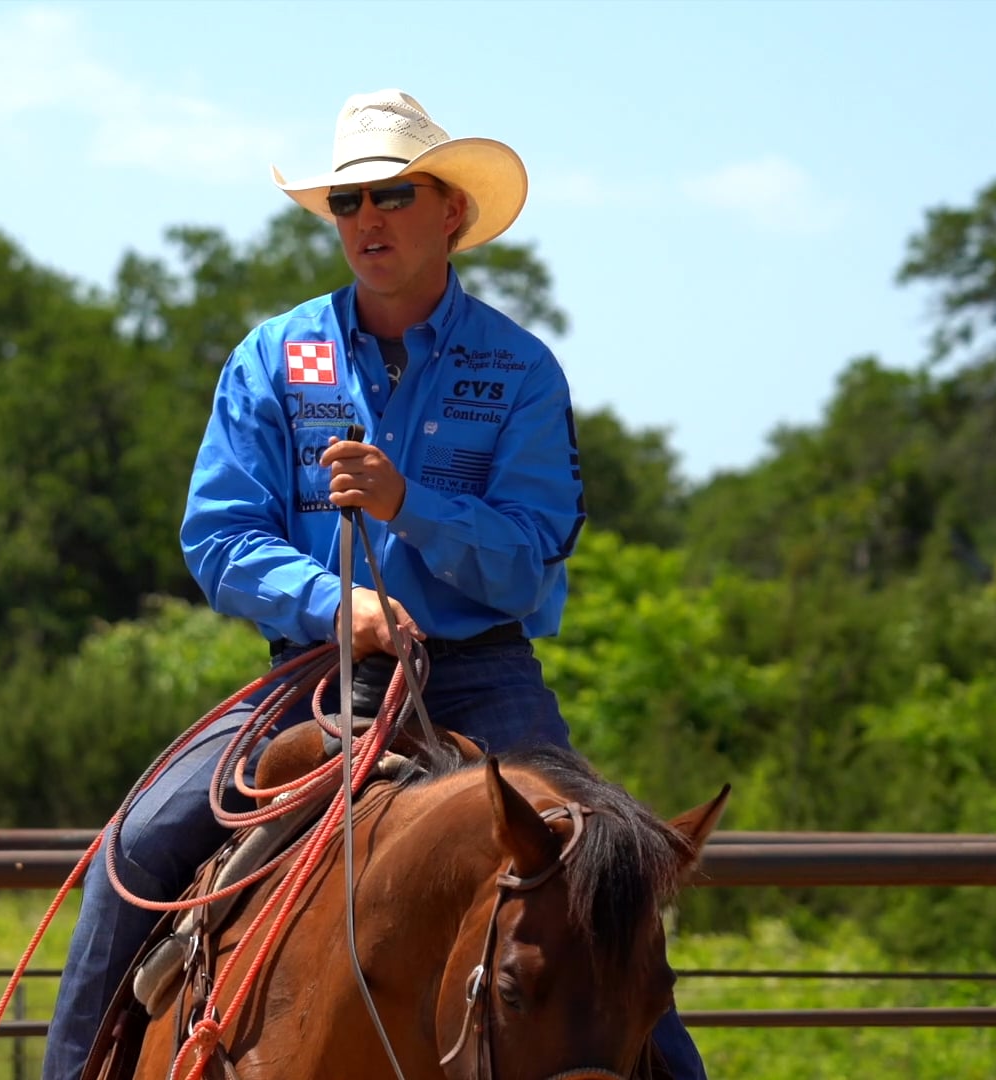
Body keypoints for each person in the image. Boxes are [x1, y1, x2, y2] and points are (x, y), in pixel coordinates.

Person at [42, 89, 708, 1080]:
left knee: (596, 894)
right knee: (132, 858)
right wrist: (334, 604)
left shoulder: (518, 369)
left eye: (390, 195)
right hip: (313, 673)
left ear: (451, 213)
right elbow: (219, 537)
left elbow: (530, 559)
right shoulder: (274, 357)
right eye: (346, 203)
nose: (364, 221)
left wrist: (411, 507)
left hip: (484, 678)